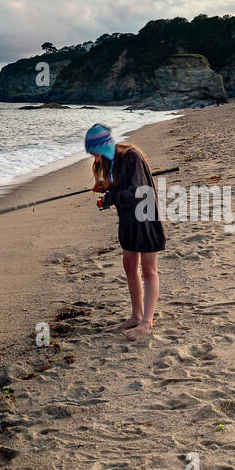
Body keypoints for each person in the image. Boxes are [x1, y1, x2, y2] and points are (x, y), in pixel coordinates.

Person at [84, 123, 165, 341]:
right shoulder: (111, 162)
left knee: (149, 270)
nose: (91, 155)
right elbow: (124, 188)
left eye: (92, 149)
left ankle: (147, 323)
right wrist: (107, 188)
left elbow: (138, 192)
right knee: (129, 266)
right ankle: (136, 315)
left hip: (145, 219)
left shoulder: (132, 157)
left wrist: (110, 198)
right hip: (128, 220)